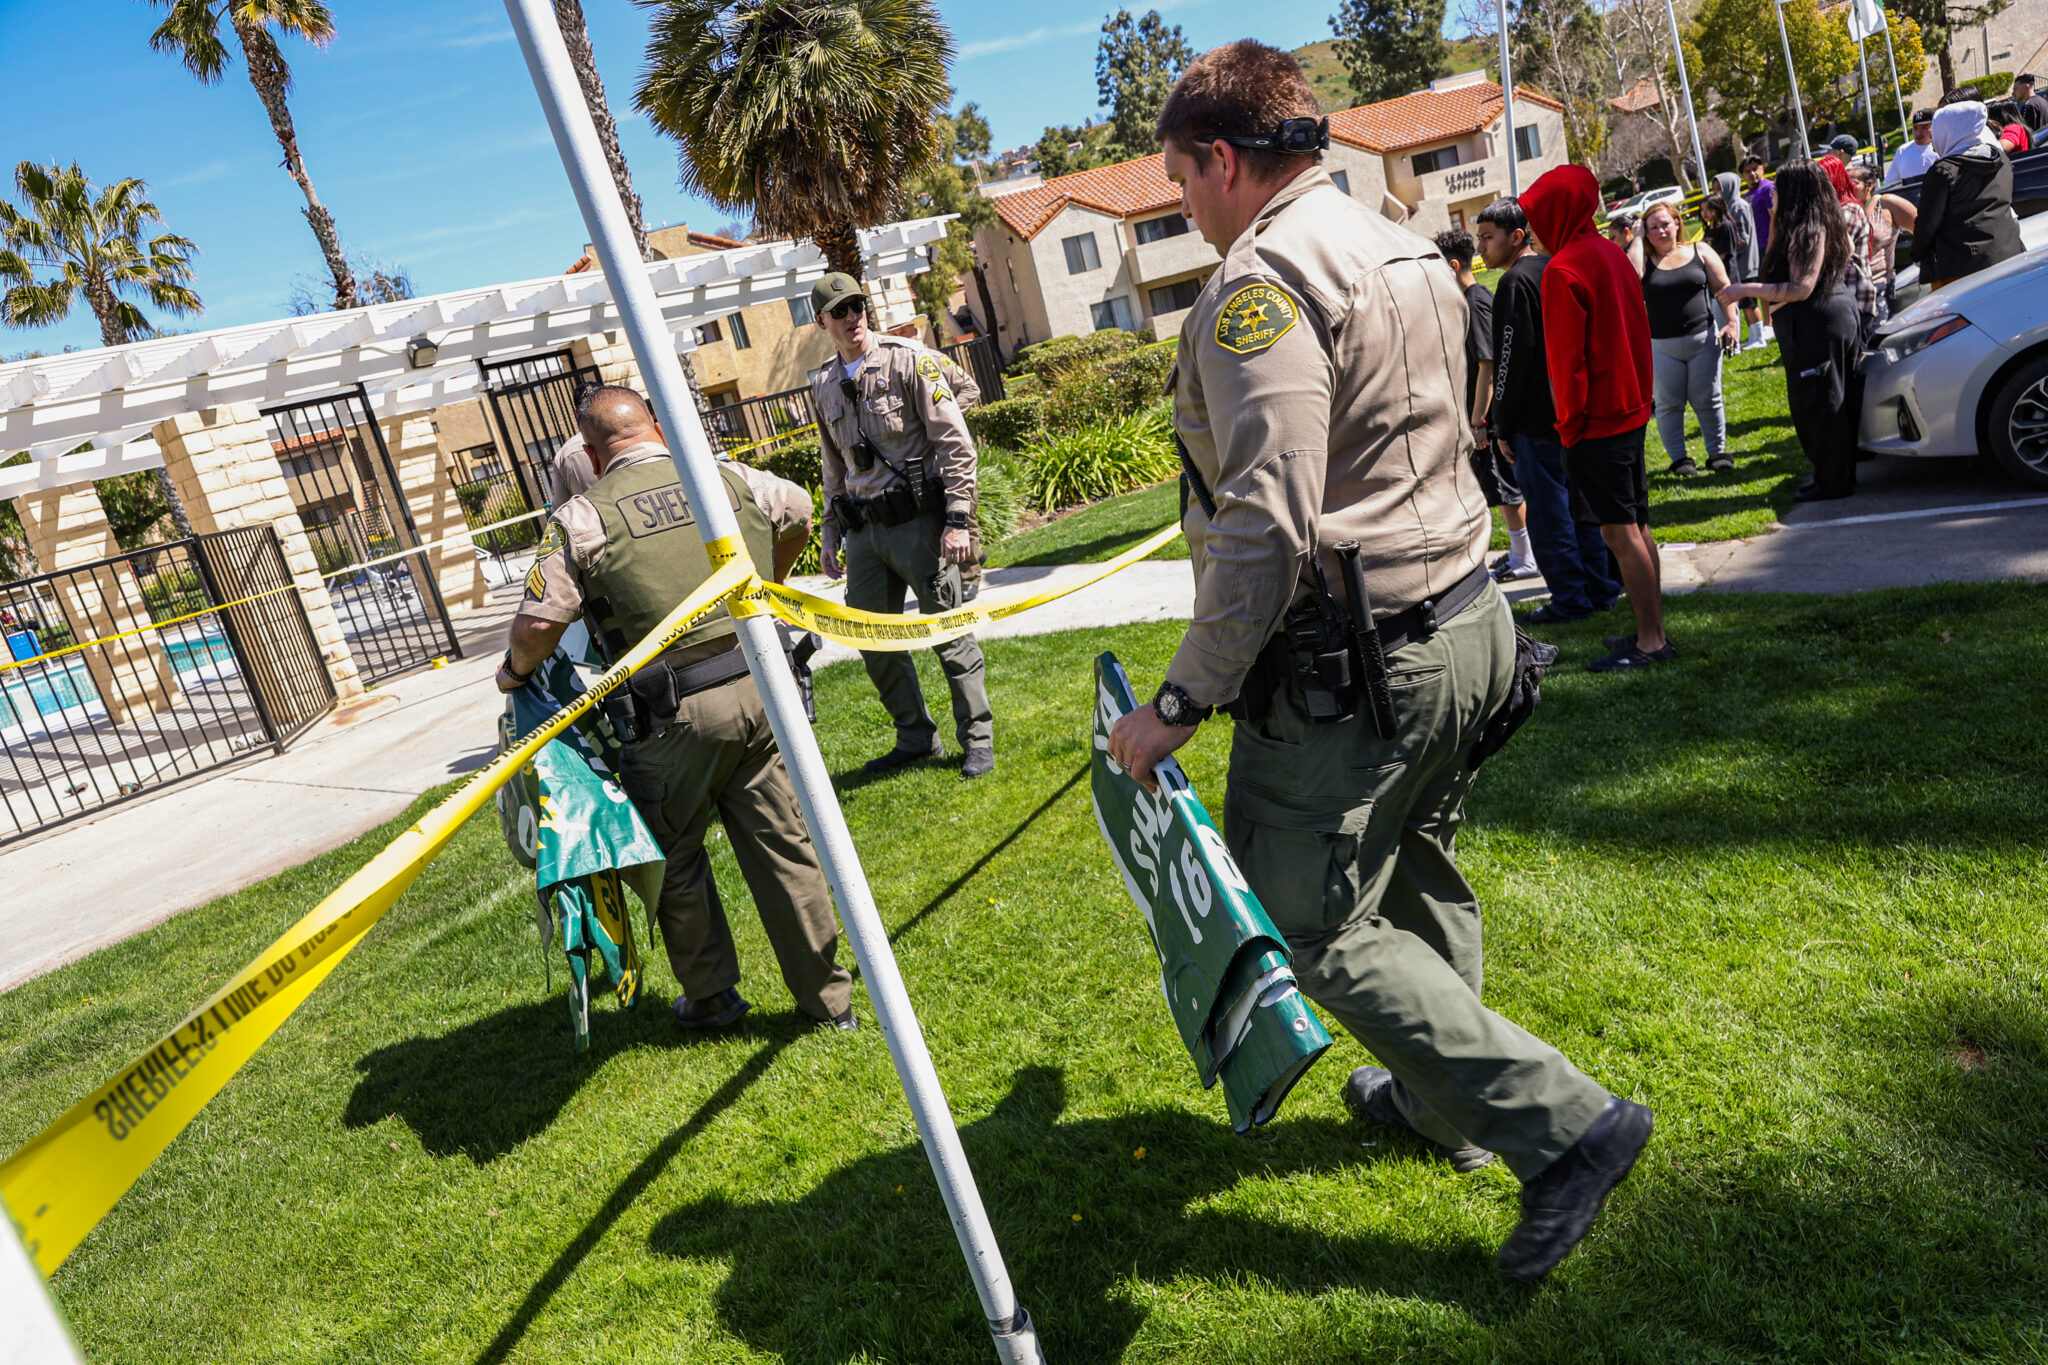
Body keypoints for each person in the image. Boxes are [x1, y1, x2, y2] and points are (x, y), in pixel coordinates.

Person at [1106, 40, 1652, 1283]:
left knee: (1302, 918)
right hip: (1464, 617)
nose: (1182, 205)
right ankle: (1441, 1105)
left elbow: (1264, 520)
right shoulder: (1399, 241)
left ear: (1226, 160)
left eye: (1180, 179)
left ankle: (1563, 1128)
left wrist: (1180, 699)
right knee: (1408, 859)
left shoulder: (1262, 285)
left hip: (1359, 656)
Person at [498, 385, 857, 1030]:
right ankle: (829, 1000)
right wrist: (766, 585)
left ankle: (713, 999)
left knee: (677, 855)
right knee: (785, 848)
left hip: (670, 719)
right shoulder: (727, 477)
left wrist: (513, 672)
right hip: (765, 693)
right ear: (656, 429)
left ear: (591, 449)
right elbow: (800, 508)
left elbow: (538, 623)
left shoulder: (584, 516)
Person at [810, 272, 995, 780]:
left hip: (921, 524)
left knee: (948, 635)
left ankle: (977, 738)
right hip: (866, 533)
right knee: (873, 640)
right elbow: (835, 467)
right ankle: (916, 737)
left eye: (857, 306)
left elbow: (956, 444)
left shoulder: (909, 359)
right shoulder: (823, 383)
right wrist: (831, 532)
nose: (853, 317)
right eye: (840, 311)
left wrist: (958, 520)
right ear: (821, 320)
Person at [1522, 164, 1670, 673]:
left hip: (1597, 423)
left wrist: (1569, 427)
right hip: (1629, 410)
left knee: (1618, 532)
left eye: (1538, 217)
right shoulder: (1610, 252)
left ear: (1558, 214)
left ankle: (1650, 641)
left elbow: (1567, 365)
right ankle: (1651, 629)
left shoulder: (1564, 270)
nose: (1535, 229)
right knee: (1638, 523)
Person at [1477, 197, 1623, 626]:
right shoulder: (1553, 268)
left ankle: (1571, 599)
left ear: (1517, 236)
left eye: (1488, 237)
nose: (1481, 247)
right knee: (1582, 508)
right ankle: (1601, 589)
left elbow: (1509, 360)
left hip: (1536, 421)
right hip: (1571, 413)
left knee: (1549, 515)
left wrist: (1500, 422)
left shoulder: (1515, 283)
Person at [1717, 160, 1862, 502]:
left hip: (1816, 322)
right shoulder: (1815, 222)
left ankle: (1833, 482)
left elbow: (1801, 288)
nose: (1772, 195)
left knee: (1820, 403)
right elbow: (1849, 253)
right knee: (1825, 399)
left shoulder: (1806, 229)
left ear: (1796, 192)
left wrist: (1745, 290)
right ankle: (1831, 475)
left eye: (1779, 188)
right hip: (1822, 317)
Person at [1434, 228, 1537, 581]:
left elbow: (1487, 366)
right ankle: (1520, 551)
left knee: (1506, 488)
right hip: (1483, 416)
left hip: (1488, 418)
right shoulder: (1469, 299)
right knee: (1499, 487)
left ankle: (1527, 557)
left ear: (1451, 265)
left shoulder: (1475, 301)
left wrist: (1478, 421)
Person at [1630, 201, 1739, 476]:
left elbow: (1724, 288)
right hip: (1661, 346)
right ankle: (1680, 460)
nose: (1661, 231)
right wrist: (1638, 239)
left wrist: (1733, 324)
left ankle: (1718, 454)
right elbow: (1631, 276)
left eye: (1665, 224)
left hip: (1702, 340)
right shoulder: (1642, 258)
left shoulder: (1699, 250)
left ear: (1677, 223)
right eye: (1652, 227)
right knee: (1668, 405)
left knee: (1709, 398)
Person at [1915, 102, 2026, 290]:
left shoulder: (1943, 171)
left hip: (1962, 270)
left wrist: (1917, 254)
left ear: (1948, 131)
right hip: (2009, 255)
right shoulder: (2000, 160)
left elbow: (1927, 224)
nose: (1934, 142)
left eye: (1936, 133)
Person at [1819, 154, 1881, 339]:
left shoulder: (1848, 211)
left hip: (1857, 300)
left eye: (1823, 180)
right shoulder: (1838, 210)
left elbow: (1829, 253)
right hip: (1847, 301)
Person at [1848, 161, 1902, 318]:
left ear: (1870, 185)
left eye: (1855, 183)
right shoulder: (1848, 210)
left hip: (1881, 285)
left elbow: (1921, 226)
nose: (1849, 186)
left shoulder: (1884, 204)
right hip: (1855, 290)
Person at [1739, 156, 1778, 348]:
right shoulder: (1746, 194)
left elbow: (1775, 216)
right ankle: (1767, 322)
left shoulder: (1768, 188)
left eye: (1756, 168)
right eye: (1748, 171)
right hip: (1754, 247)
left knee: (1769, 284)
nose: (1753, 173)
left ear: (1762, 168)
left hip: (1767, 244)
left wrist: (1773, 242)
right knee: (1761, 285)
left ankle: (1771, 322)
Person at [1887, 109, 1939, 183]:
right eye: (1915, 128)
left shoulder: (1942, 147)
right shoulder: (1903, 151)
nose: (1919, 133)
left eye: (1925, 127)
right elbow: (1890, 183)